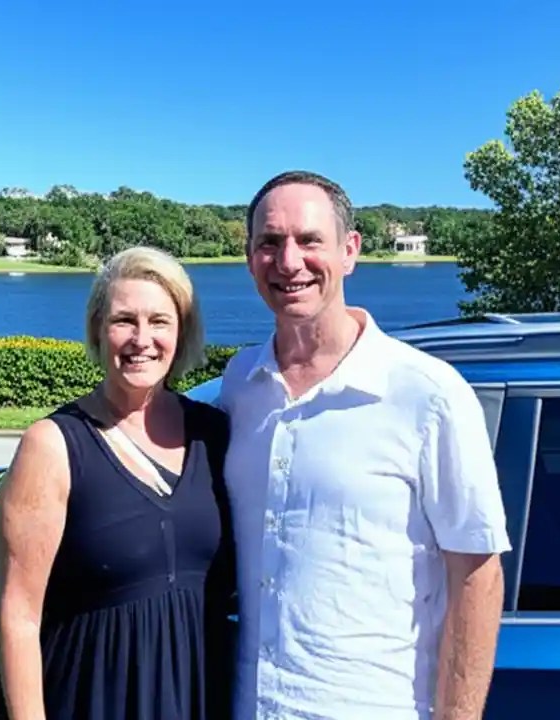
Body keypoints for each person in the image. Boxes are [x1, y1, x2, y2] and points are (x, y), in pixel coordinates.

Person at [217, 170, 511, 720]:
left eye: (309, 241)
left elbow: (476, 572)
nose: (289, 261)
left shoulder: (427, 393)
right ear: (250, 256)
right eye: (269, 242)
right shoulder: (240, 386)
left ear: (350, 251)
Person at [0, 245, 236, 720]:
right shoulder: (54, 445)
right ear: (98, 330)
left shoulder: (215, 435)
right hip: (93, 700)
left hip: (201, 699)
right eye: (124, 320)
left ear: (182, 331)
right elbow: (18, 616)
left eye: (160, 321)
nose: (142, 338)